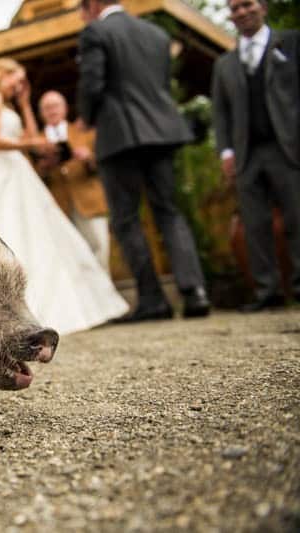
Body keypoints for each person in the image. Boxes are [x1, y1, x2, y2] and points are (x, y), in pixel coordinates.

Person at [0, 57, 128, 336]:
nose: (19, 86)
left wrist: (26, 103)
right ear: (3, 74)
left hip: (20, 170)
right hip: (2, 173)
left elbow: (29, 134)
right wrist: (32, 143)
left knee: (42, 234)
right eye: (18, 81)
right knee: (10, 231)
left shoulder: (9, 105)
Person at [77, 0, 210, 322]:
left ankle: (153, 300)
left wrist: (86, 117)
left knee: (125, 218)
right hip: (162, 132)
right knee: (169, 212)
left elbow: (93, 83)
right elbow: (160, 86)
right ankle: (195, 293)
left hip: (120, 136)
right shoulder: (156, 34)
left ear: (92, 5)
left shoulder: (95, 31)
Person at [212, 0, 300, 311]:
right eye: (233, 8)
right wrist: (226, 151)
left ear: (262, 6)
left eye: (246, 4)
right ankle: (267, 290)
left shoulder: (291, 43)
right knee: (255, 224)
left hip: (287, 147)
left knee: (296, 216)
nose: (240, 12)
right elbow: (220, 113)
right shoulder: (225, 64)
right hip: (247, 154)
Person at [35, 90, 111, 273]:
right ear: (41, 113)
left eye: (55, 106)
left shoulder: (84, 132)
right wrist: (44, 168)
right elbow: (30, 176)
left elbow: (104, 166)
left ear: (65, 108)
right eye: (47, 107)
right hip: (57, 206)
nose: (52, 110)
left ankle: (105, 295)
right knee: (69, 257)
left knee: (100, 248)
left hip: (89, 201)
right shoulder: (36, 141)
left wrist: (88, 158)